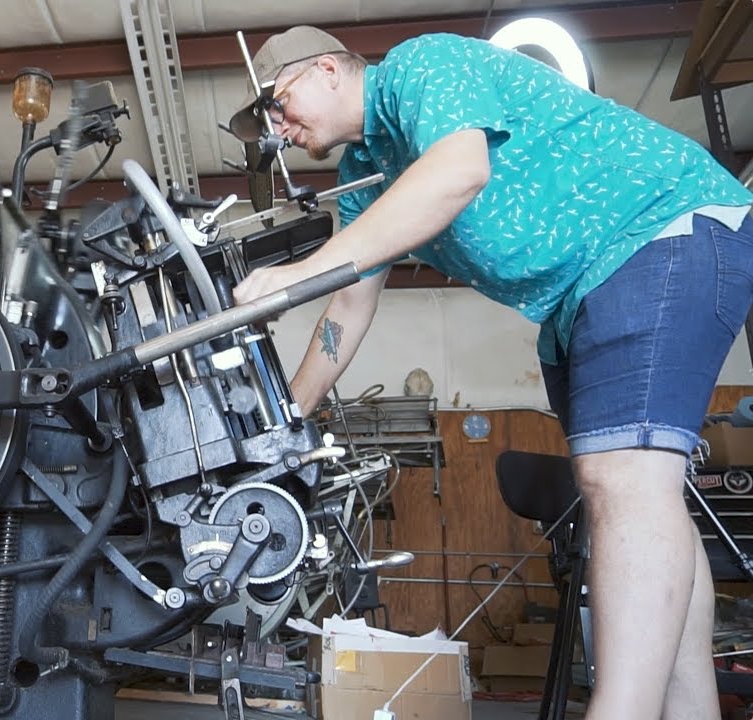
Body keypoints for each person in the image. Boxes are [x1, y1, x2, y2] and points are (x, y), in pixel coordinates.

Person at [226, 26, 753, 720]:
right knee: (642, 496)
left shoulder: (422, 65)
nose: (276, 127)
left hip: (658, 232)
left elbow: (459, 171)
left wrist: (298, 271)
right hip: (585, 295)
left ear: (326, 69)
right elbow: (349, 306)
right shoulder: (367, 172)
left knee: (622, 481)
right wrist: (285, 420)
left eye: (276, 102)